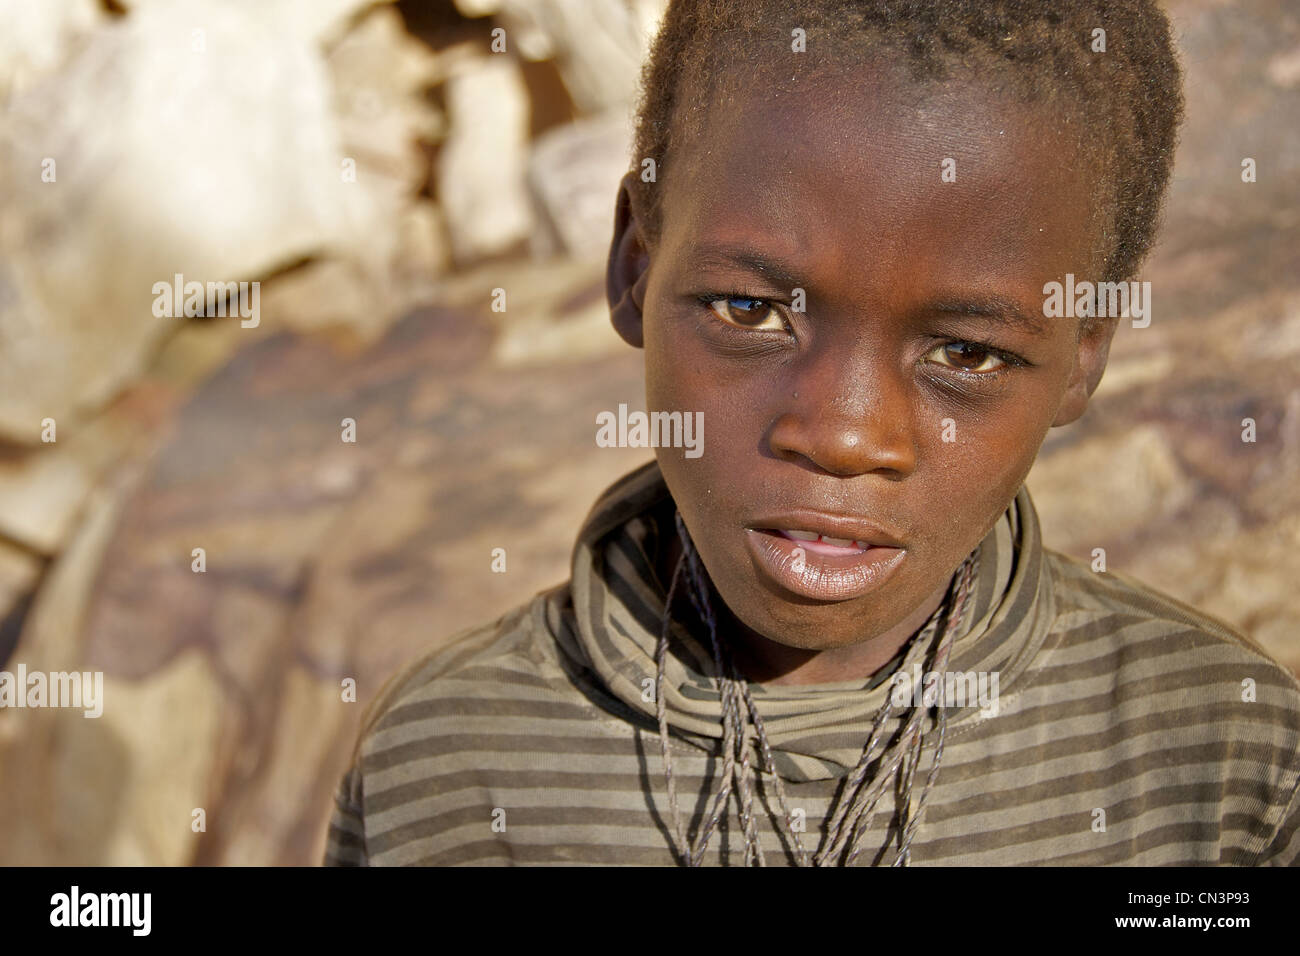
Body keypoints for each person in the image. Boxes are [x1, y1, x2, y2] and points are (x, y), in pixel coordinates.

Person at [325, 0, 1300, 866]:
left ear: (1081, 354)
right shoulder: (452, 760)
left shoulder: (1219, 758)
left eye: (964, 352)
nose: (841, 436)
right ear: (633, 263)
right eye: (750, 312)